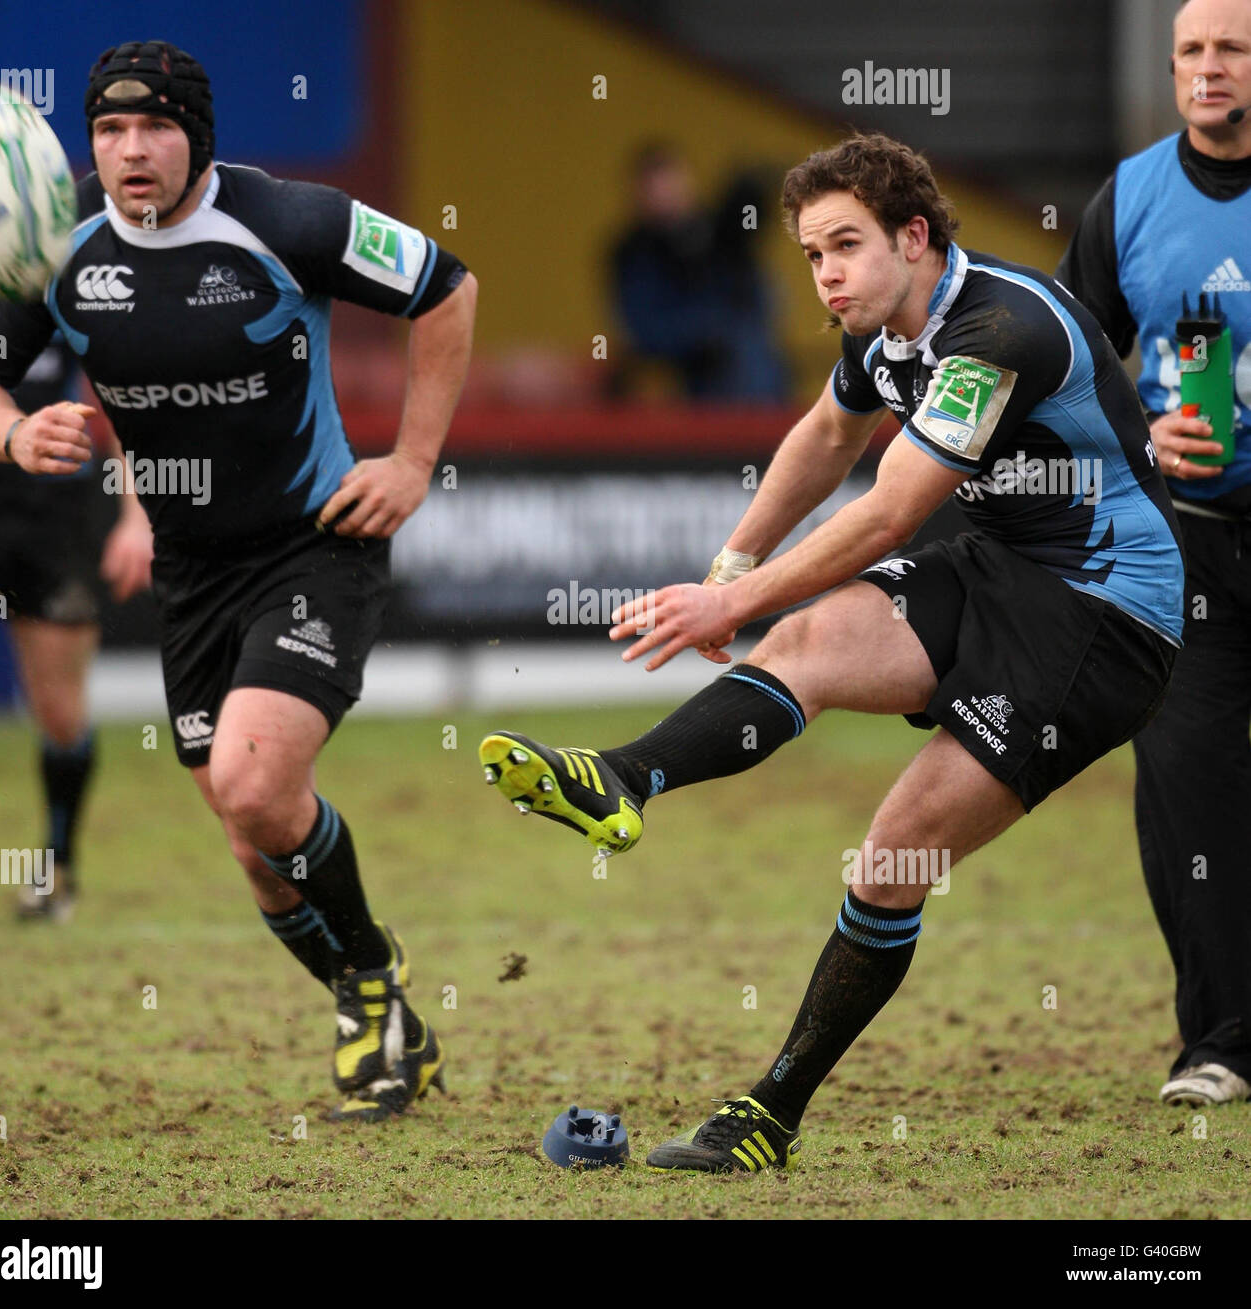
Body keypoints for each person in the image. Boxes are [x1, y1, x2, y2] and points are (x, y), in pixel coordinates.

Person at [480, 132, 1183, 1173]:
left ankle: (770, 1110)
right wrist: (732, 571)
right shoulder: (880, 328)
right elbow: (823, 437)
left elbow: (891, 512)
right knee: (804, 636)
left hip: (1108, 614)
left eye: (844, 247)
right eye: (810, 254)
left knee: (891, 857)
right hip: (1002, 564)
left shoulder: (998, 329)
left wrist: (732, 606)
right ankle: (620, 777)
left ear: (915, 236)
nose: (826, 275)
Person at [0, 40, 478, 1123]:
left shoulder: (291, 221)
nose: (131, 151)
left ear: (199, 135)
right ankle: (381, 1023)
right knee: (255, 846)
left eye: (154, 129)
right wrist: (10, 434)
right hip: (193, 572)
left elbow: (447, 289)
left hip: (313, 545)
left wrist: (413, 462)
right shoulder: (62, 242)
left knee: (251, 784)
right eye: (108, 130)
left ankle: (371, 976)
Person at [1056, 0, 1251, 1107]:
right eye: (1189, 50)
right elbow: (1066, 367)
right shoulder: (1128, 198)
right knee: (1185, 781)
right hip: (1191, 547)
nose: (1207, 67)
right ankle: (1221, 1042)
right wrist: (1143, 434)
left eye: (1229, 47)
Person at [0, 256, 152, 924]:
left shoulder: (64, 268)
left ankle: (57, 871)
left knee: (61, 711)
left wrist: (135, 513)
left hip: (56, 514)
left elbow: (118, 395)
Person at [610, 142, 789, 401]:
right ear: (637, 194)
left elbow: (763, 302)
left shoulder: (719, 236)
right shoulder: (633, 254)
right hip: (687, 386)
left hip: (754, 382)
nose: (663, 195)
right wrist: (708, 330)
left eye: (669, 183)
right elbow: (645, 332)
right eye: (653, 188)